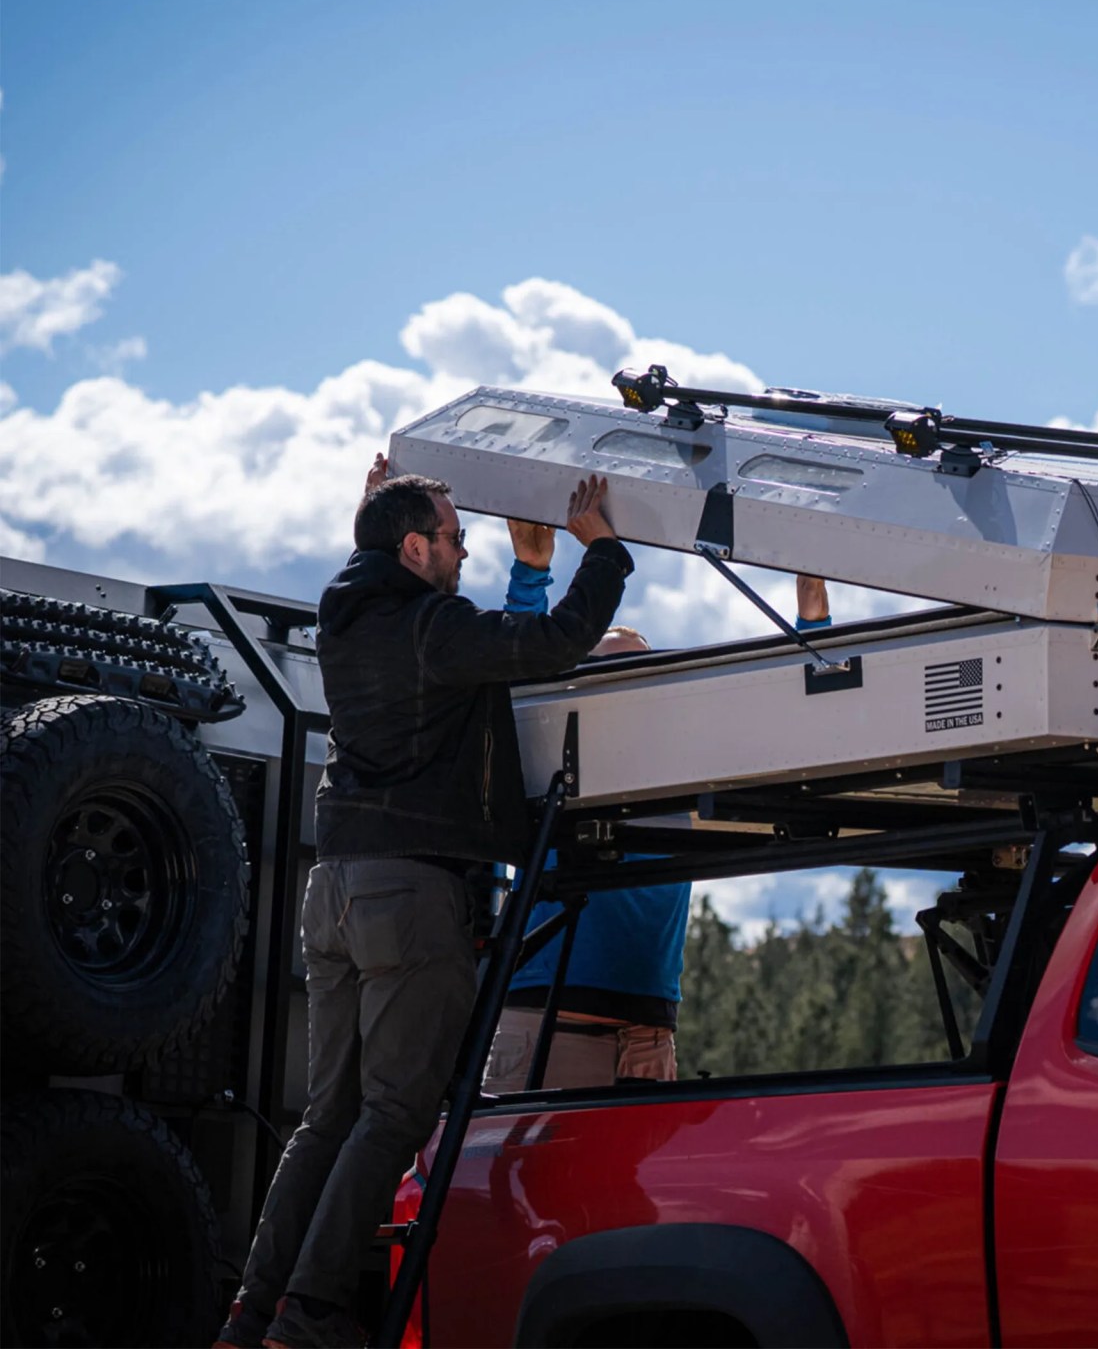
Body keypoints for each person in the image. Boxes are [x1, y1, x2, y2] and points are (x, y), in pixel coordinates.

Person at [218, 471, 632, 1349]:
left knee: (327, 1115)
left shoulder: (344, 614)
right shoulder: (433, 629)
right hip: (411, 893)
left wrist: (376, 506)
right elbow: (557, 638)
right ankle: (311, 1314)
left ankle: (252, 1312)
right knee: (397, 1113)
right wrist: (602, 548)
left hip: (333, 888)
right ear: (416, 550)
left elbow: (377, 555)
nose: (464, 548)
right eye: (451, 536)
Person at [481, 531, 833, 1093]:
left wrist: (813, 618)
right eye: (606, 674)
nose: (623, 689)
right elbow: (523, 665)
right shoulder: (552, 759)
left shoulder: (679, 769)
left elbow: (789, 725)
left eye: (638, 675)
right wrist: (530, 571)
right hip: (549, 1022)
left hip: (647, 1038)